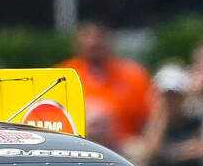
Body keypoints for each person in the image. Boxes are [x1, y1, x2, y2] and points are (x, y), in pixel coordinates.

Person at [58, 20, 154, 152]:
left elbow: (148, 119)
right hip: (75, 145)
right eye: (87, 36)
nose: (93, 42)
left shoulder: (134, 75)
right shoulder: (62, 76)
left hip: (122, 146)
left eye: (99, 36)